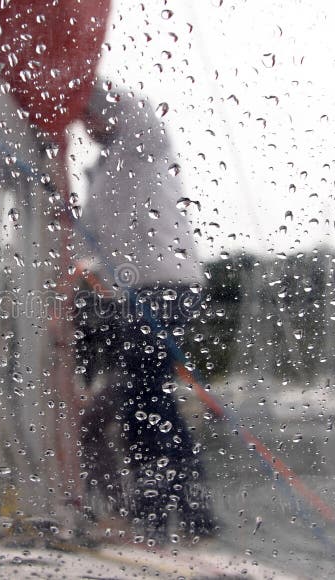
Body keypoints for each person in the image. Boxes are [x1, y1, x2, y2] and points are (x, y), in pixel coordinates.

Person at [75, 81, 216, 539]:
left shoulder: (139, 146)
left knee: (145, 400)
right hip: (135, 294)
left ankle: (158, 518)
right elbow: (85, 242)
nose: (87, 125)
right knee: (128, 404)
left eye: (90, 115)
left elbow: (136, 112)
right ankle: (182, 516)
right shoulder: (101, 175)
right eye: (83, 118)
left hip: (166, 285)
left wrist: (79, 86)